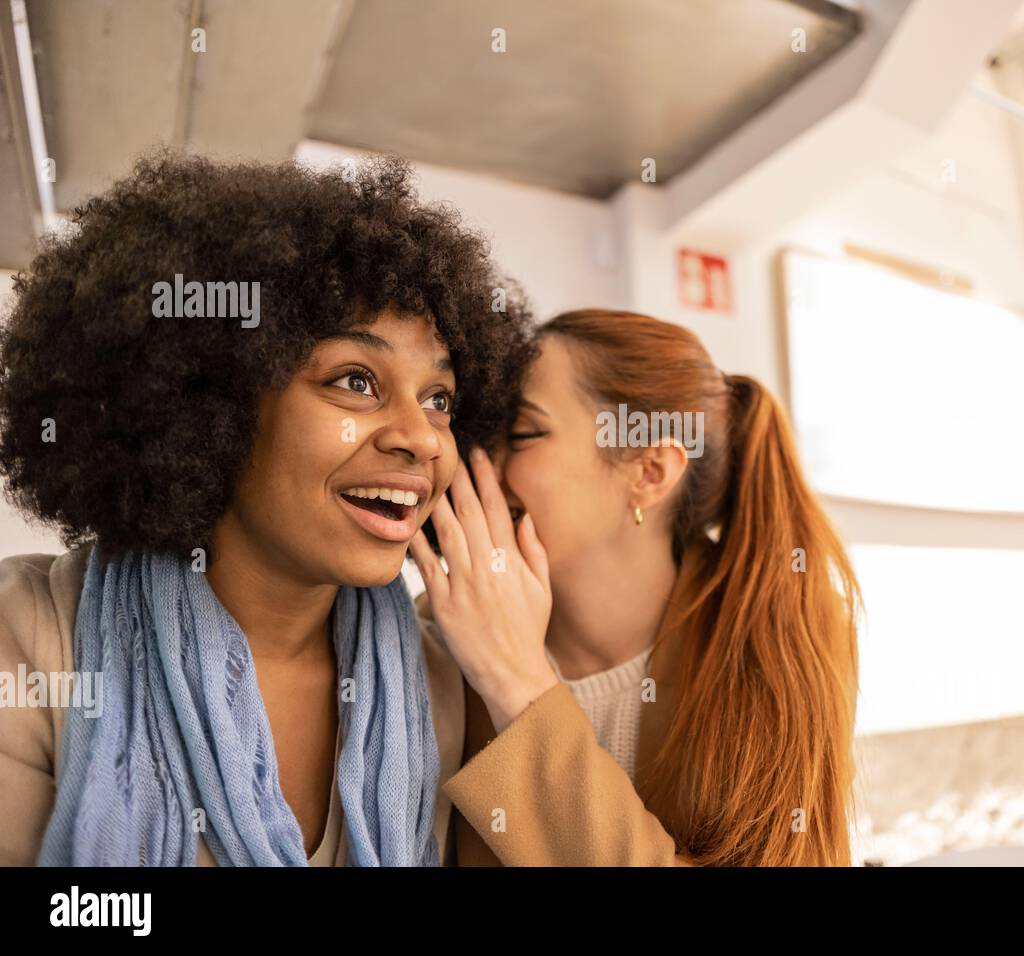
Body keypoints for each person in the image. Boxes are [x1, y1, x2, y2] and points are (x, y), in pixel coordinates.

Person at [0, 151, 533, 866]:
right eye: (356, 380)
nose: (422, 438)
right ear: (209, 402)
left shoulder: (446, 685)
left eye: (439, 398)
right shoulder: (30, 636)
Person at [411, 309, 863, 866]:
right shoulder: (444, 629)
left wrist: (518, 685)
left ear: (650, 472)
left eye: (523, 433)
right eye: (483, 434)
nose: (477, 463)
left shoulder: (784, 634)